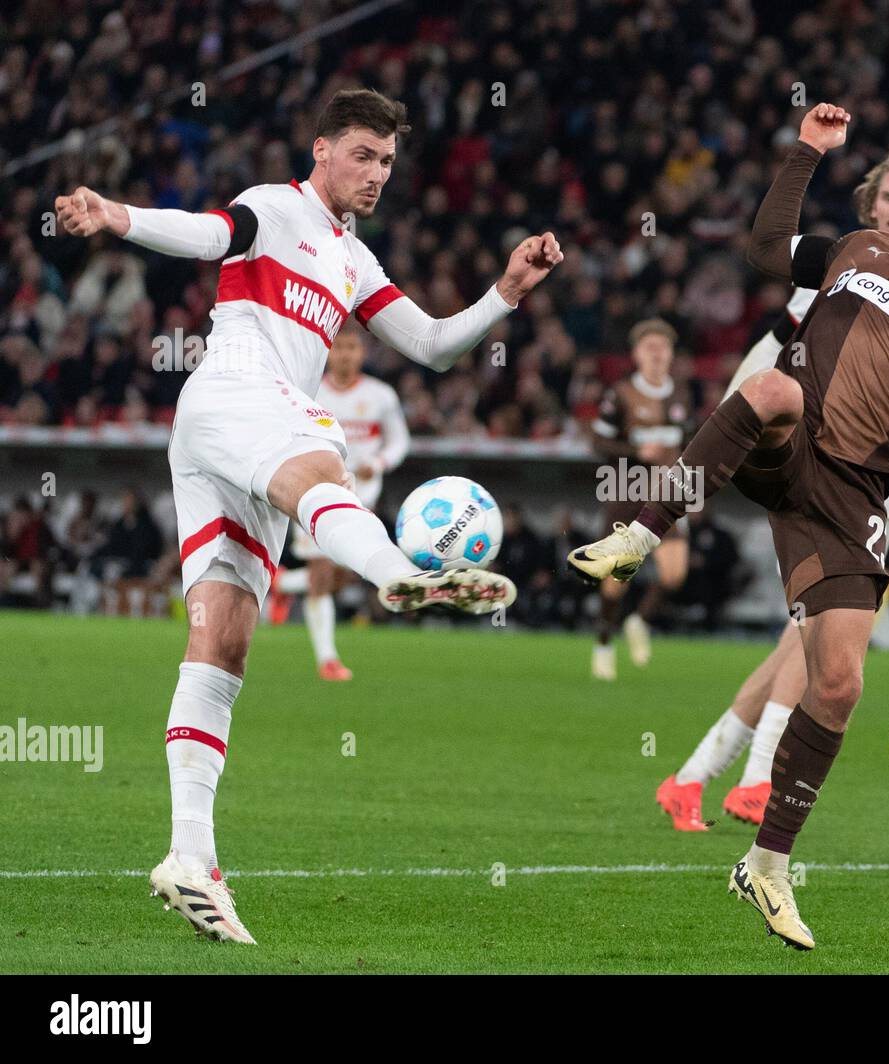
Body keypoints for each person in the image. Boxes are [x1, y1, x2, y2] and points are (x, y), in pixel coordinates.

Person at [54, 88, 563, 944]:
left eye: (389, 162)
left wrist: (505, 293)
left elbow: (434, 346)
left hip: (225, 437)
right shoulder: (277, 206)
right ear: (322, 148)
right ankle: (404, 576)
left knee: (222, 641)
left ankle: (190, 857)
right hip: (237, 392)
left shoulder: (355, 260)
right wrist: (117, 214)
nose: (377, 173)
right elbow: (212, 234)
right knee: (324, 461)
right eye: (363, 154)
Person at [570, 104, 889, 949]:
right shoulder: (859, 249)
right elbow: (765, 252)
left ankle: (768, 866)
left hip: (856, 495)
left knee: (839, 684)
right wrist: (806, 155)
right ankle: (640, 534)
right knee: (774, 387)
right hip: (787, 444)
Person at [269, 321, 411, 681]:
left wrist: (378, 463)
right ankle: (328, 659)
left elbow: (399, 442)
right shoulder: (309, 391)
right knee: (321, 575)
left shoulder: (381, 396)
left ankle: (282, 585)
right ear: (328, 351)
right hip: (318, 492)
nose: (345, 356)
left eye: (352, 348)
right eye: (339, 348)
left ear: (362, 353)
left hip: (363, 497)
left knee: (345, 575)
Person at [587, 318, 693, 679]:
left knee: (675, 574)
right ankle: (603, 642)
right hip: (626, 493)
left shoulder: (681, 393)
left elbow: (687, 443)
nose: (657, 353)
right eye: (650, 347)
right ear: (636, 354)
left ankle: (639, 621)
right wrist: (635, 449)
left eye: (663, 347)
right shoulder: (620, 394)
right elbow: (598, 442)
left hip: (666, 494)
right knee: (616, 582)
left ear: (671, 354)